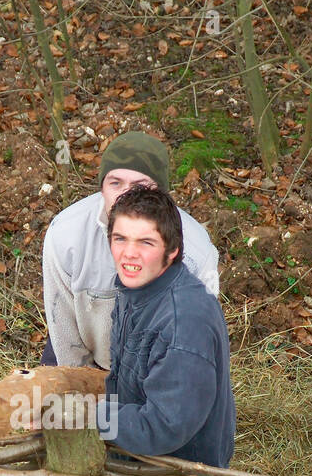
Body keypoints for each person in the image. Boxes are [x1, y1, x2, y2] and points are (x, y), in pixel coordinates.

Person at [40, 131, 219, 369]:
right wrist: (78, 390)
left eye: (140, 186)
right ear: (102, 187)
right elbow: (62, 325)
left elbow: (195, 342)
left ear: (162, 194)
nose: (125, 195)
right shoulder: (66, 236)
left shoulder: (196, 252)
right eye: (116, 183)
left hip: (157, 368)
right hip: (84, 355)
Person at [92, 185, 235, 468]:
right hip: (135, 458)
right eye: (120, 238)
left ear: (172, 251)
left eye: (146, 243)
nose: (128, 253)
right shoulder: (135, 288)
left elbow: (165, 426)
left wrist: (85, 418)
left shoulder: (185, 321)